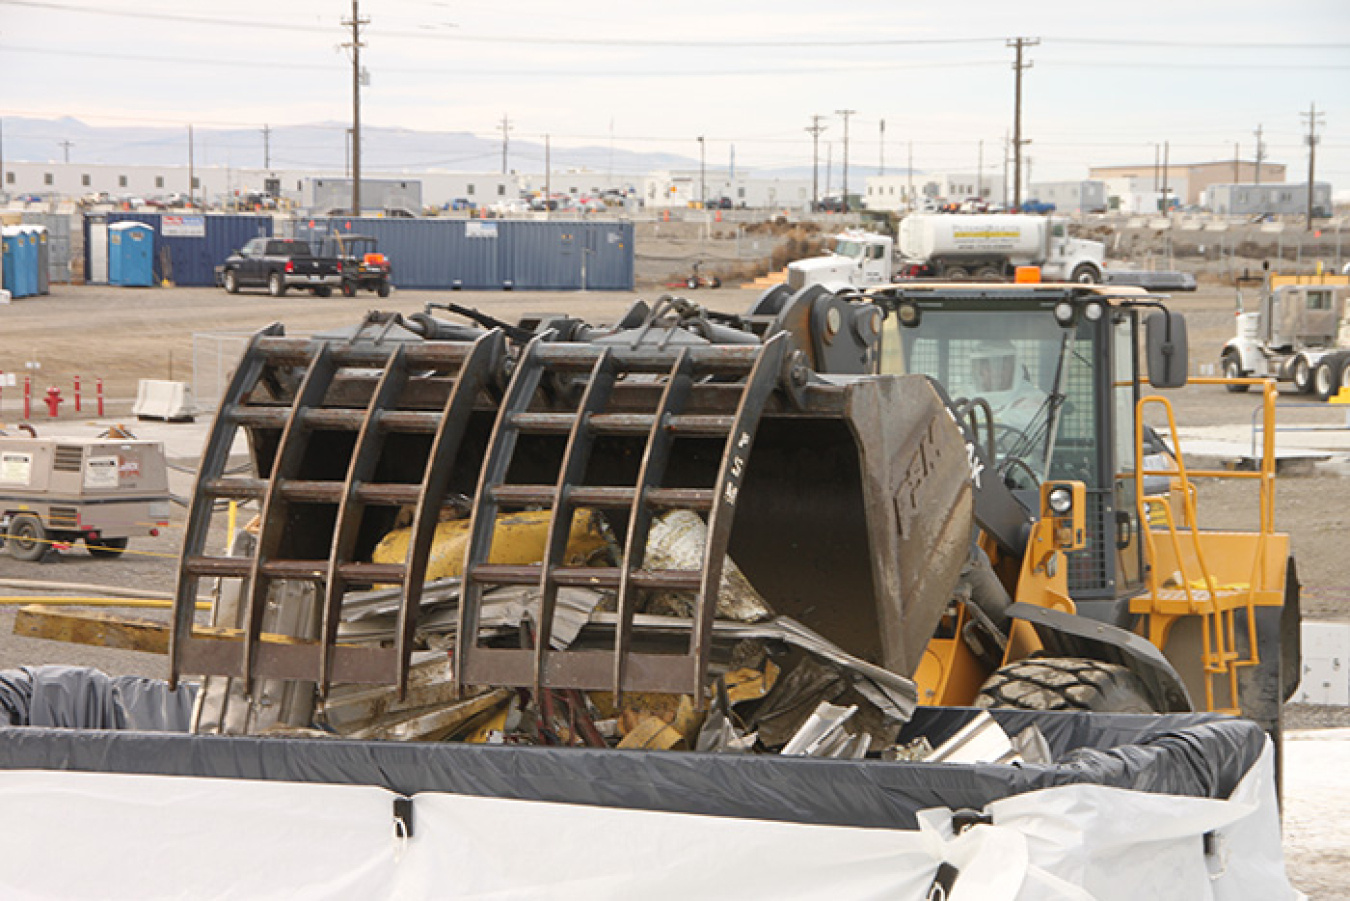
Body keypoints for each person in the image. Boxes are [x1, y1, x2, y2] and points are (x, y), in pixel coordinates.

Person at [969, 339, 1049, 435]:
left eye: (1002, 367)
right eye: (988, 367)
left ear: (1013, 369)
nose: (995, 372)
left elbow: (1028, 421)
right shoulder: (964, 397)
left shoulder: (1033, 398)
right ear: (979, 370)